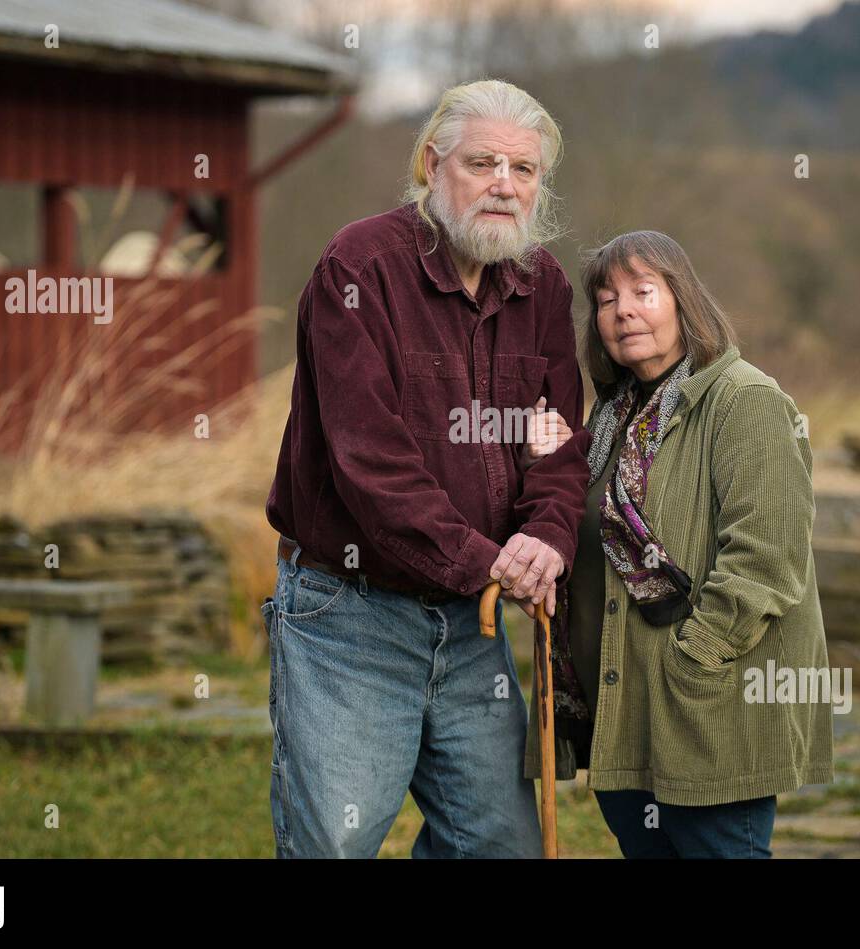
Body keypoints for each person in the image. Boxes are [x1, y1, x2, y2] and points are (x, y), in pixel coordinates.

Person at [262, 80, 591, 858]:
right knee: (334, 845)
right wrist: (492, 564)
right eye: (483, 163)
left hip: (471, 625)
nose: (505, 185)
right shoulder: (361, 266)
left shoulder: (540, 286)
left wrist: (545, 537)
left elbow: (558, 443)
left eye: (524, 169)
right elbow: (369, 462)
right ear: (431, 164)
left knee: (498, 845)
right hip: (351, 613)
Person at [524, 230, 834, 858]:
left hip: (708, 708)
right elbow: (579, 546)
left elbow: (766, 561)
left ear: (684, 301)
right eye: (607, 300)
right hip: (625, 711)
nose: (623, 311)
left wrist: (692, 662)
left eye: (644, 291)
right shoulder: (614, 418)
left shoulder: (745, 401)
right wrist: (547, 464)